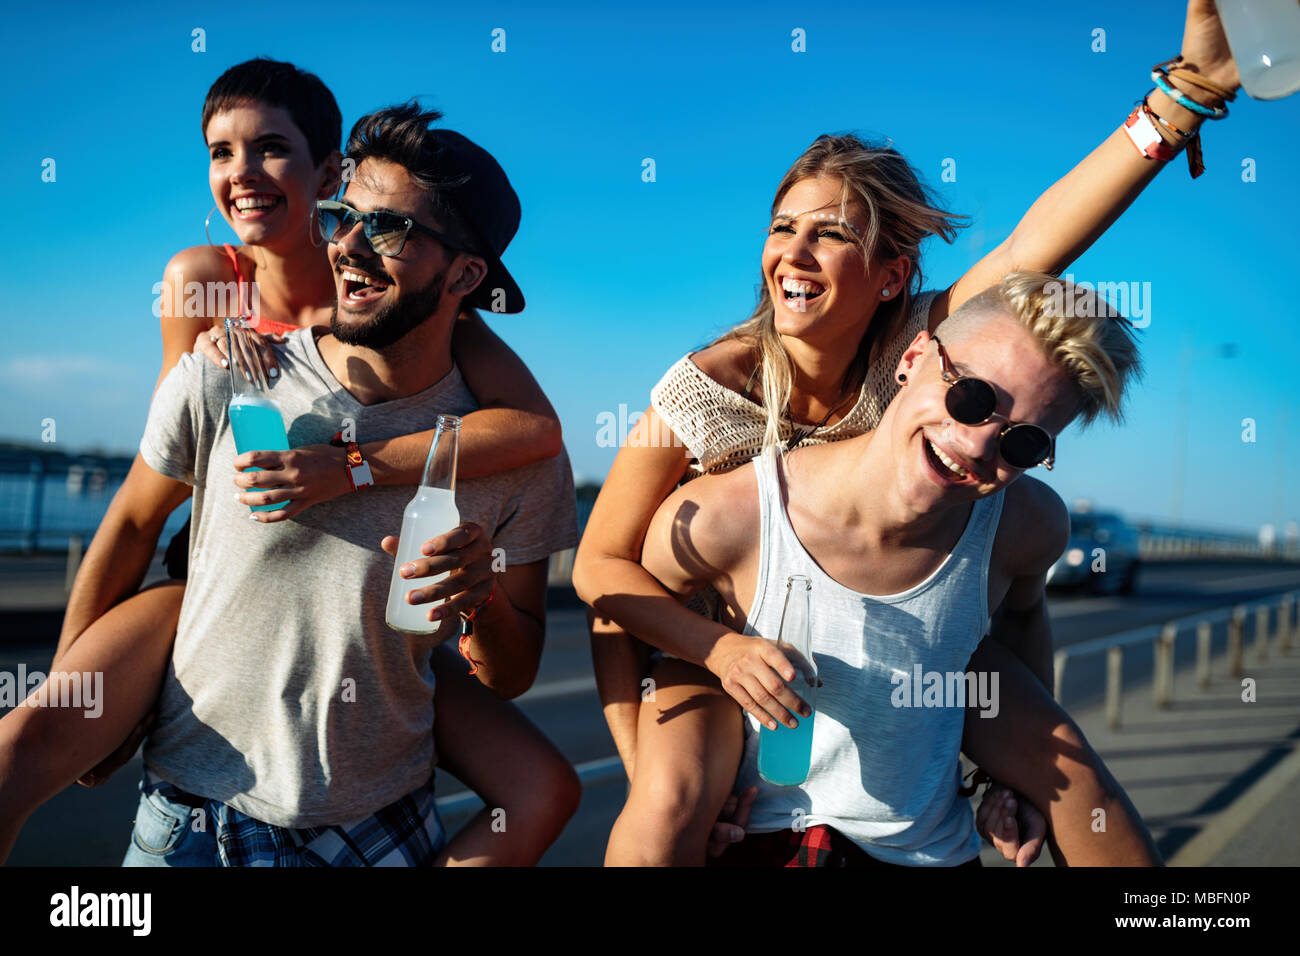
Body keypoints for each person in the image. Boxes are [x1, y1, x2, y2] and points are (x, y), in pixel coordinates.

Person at [574, 0, 1240, 865]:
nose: (794, 252)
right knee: (666, 809)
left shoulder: (920, 353)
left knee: (1076, 781)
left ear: (893, 281)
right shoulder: (705, 388)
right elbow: (600, 571)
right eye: (783, 228)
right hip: (717, 640)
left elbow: (1038, 247)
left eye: (831, 234)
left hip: (906, 632)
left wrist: (1181, 101)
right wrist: (688, 697)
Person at [0, 103, 579, 866]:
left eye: (389, 230)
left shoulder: (517, 457)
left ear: (465, 274)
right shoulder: (225, 376)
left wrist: (482, 599)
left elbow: (510, 674)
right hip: (189, 828)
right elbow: (135, 522)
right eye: (345, 218)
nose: (347, 246)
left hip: (381, 832)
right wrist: (77, 700)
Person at [635, 271, 1158, 866]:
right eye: (973, 398)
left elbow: (1022, 618)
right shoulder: (733, 516)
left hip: (931, 853)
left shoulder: (1024, 525)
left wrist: (1015, 776)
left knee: (1085, 785)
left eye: (1023, 443)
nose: (979, 444)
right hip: (761, 837)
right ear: (913, 358)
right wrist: (665, 790)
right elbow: (633, 618)